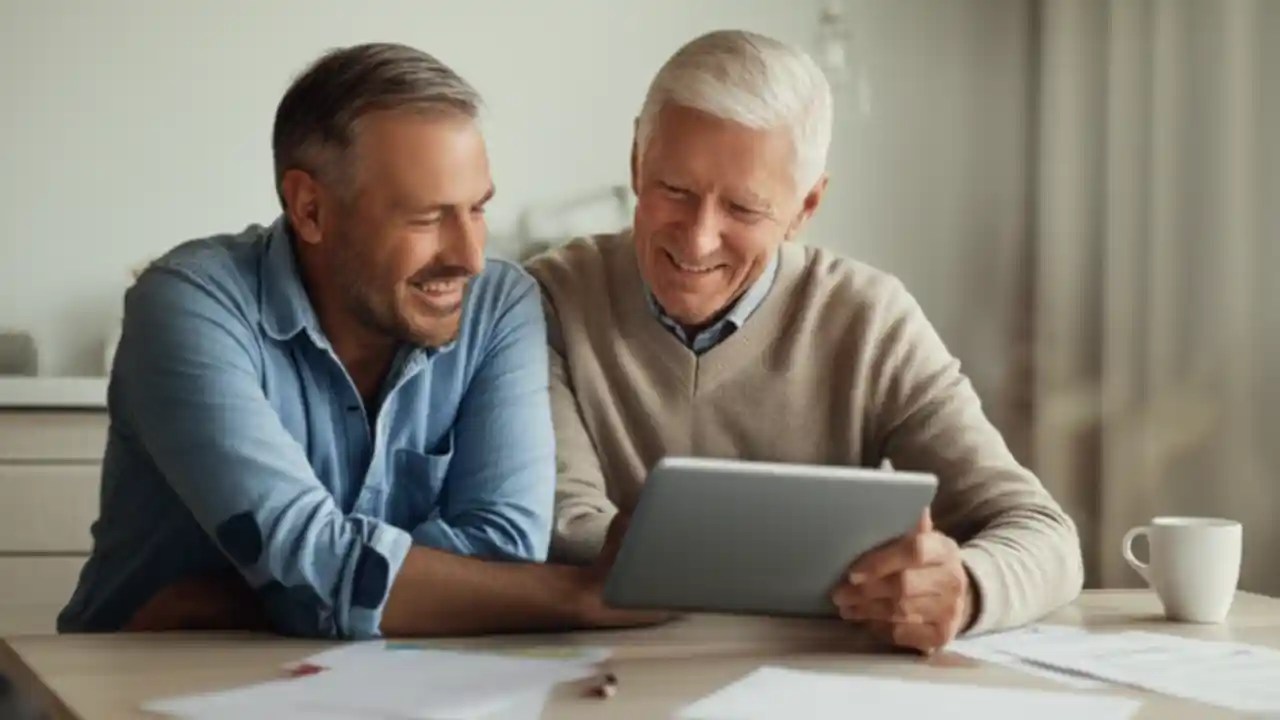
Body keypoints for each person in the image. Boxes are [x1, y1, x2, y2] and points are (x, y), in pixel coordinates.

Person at [59, 43, 656, 639]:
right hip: (134, 681)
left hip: (385, 683)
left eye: (477, 209)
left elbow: (504, 553)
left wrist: (264, 594)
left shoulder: (501, 306)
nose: (470, 257)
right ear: (311, 209)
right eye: (426, 219)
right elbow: (482, 585)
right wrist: (577, 597)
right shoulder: (188, 305)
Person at [526, 30, 1084, 653]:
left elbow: (1044, 534)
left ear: (806, 206)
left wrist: (970, 588)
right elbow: (564, 529)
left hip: (815, 679)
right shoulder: (547, 300)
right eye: (675, 191)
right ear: (636, 160)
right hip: (606, 671)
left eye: (742, 208)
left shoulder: (870, 320)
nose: (699, 238)